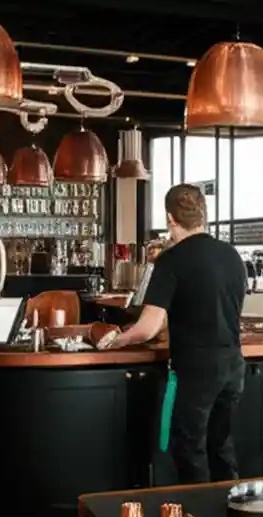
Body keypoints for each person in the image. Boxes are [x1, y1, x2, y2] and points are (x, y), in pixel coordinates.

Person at [105, 185, 247, 484]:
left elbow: (148, 327)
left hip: (196, 370)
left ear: (170, 218)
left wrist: (116, 340)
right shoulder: (231, 255)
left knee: (189, 448)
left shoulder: (171, 260)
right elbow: (216, 306)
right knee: (221, 445)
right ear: (202, 215)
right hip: (234, 365)